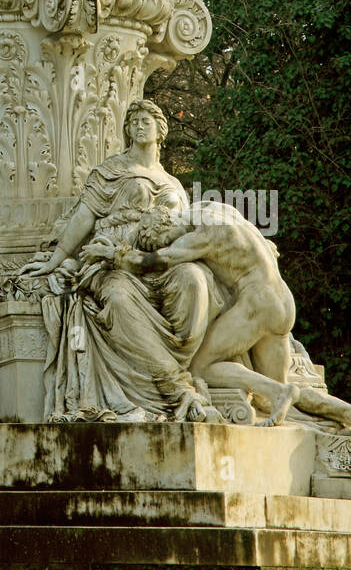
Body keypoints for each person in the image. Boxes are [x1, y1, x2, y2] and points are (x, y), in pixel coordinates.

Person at [20, 99, 226, 422]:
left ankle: (181, 362)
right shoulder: (111, 171)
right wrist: (56, 258)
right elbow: (84, 218)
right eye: (134, 121)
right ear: (127, 130)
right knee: (117, 299)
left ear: (161, 131)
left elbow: (184, 232)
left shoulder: (174, 184)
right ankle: (176, 387)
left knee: (195, 282)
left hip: (157, 263)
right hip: (112, 261)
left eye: (147, 120)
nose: (140, 125)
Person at [139, 201, 351, 431]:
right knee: (271, 395)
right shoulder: (214, 208)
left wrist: (115, 256)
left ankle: (279, 392)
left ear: (168, 224)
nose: (171, 242)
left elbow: (160, 259)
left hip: (258, 305)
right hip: (283, 302)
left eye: (166, 238)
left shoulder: (201, 235)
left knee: (199, 367)